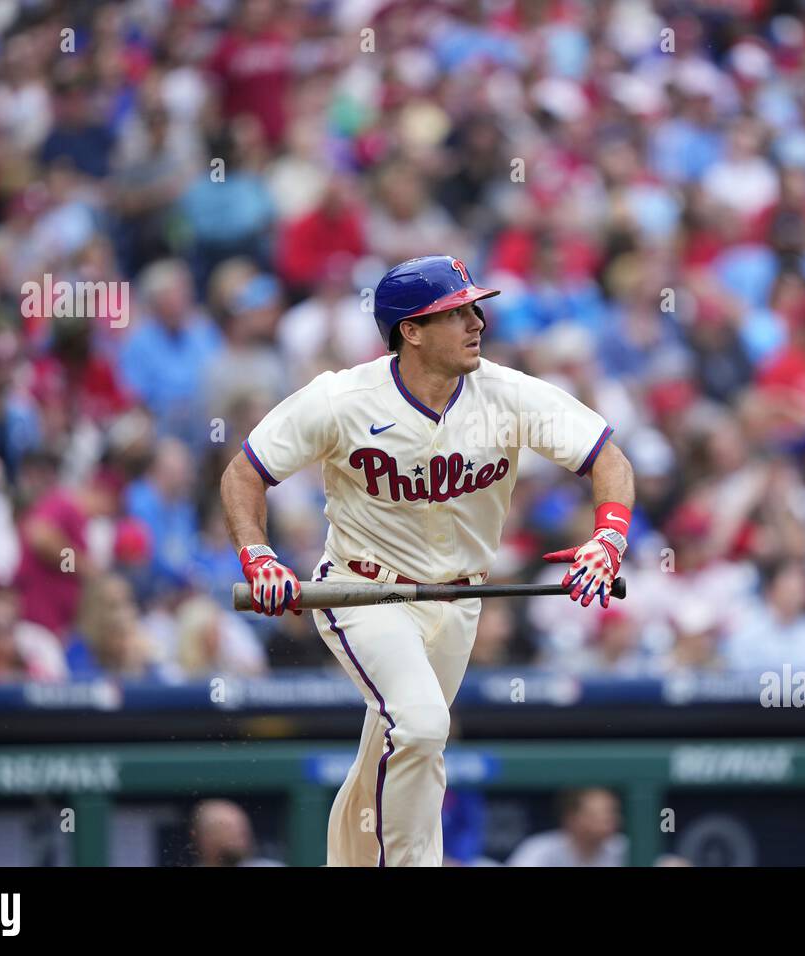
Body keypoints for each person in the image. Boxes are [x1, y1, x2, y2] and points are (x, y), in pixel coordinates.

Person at [220, 255, 635, 867]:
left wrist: (609, 537)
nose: (477, 322)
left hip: (459, 601)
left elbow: (609, 460)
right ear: (410, 331)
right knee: (418, 727)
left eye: (476, 307)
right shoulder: (343, 398)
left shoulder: (506, 392)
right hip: (365, 592)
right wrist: (258, 554)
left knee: (392, 748)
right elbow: (244, 472)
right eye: (456, 311)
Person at [506, 788, 627, 867]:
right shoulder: (540, 849)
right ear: (571, 818)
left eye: (612, 812)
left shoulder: (623, 849)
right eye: (596, 814)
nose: (609, 819)